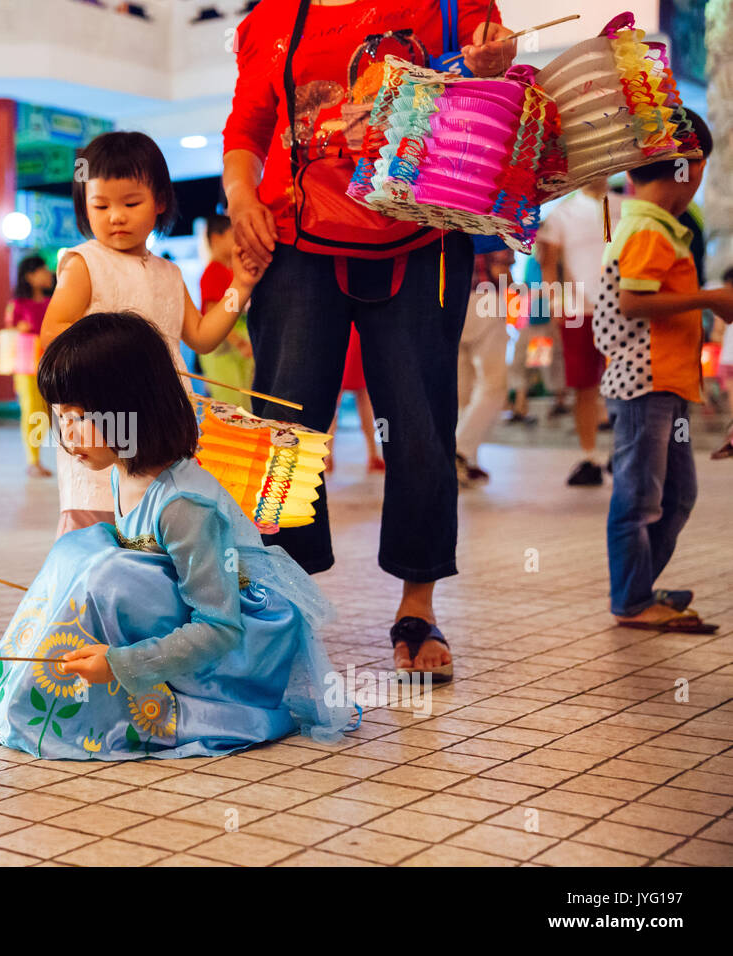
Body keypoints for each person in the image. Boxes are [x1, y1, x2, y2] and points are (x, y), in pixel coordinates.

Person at [223, 0, 515, 679]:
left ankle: (417, 606)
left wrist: (493, 70)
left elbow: (489, 100)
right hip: (294, 236)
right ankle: (287, 604)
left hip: (420, 230)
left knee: (419, 420)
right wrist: (240, 195)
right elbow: (249, 123)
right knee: (285, 429)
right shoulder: (268, 18)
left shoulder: (449, 3)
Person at [0, 313, 354, 759]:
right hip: (188, 616)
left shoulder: (184, 506)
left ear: (131, 410)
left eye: (78, 418)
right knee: (81, 550)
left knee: (105, 569)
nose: (65, 435)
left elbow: (218, 627)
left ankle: (168, 703)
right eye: (59, 417)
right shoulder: (123, 473)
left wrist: (121, 666)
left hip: (237, 649)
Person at [40, 130, 259, 536]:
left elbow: (201, 336)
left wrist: (240, 288)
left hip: (160, 421)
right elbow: (53, 336)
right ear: (83, 207)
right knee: (97, 527)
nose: (116, 216)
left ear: (159, 201)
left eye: (131, 203)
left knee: (159, 524)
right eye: (100, 205)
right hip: (102, 422)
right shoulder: (84, 263)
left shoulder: (169, 273)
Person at [594, 111, 730, 633]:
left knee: (674, 498)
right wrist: (712, 299)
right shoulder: (647, 228)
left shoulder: (653, 225)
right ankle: (630, 601)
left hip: (666, 383)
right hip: (643, 382)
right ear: (688, 170)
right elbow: (633, 301)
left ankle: (637, 589)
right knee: (639, 499)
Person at [536, 178, 622, 486]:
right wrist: (556, 303)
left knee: (624, 384)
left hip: (622, 307)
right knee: (584, 385)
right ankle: (589, 456)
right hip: (578, 310)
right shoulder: (563, 212)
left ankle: (623, 451)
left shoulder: (626, 207)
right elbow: (549, 264)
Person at [456, 250, 516, 486]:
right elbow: (499, 271)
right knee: (493, 387)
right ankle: (459, 451)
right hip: (485, 301)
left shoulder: (450, 213)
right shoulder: (496, 215)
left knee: (463, 391)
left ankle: (467, 462)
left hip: (449, 300)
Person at [198, 213, 255, 405]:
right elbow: (214, 315)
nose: (238, 241)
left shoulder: (230, 271)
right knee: (232, 405)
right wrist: (239, 343)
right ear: (216, 238)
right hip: (224, 349)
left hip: (237, 349)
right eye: (233, 235)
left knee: (244, 405)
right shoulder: (213, 272)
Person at [7, 254, 54, 477]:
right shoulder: (17, 305)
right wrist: (20, 330)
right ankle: (32, 460)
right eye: (42, 270)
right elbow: (7, 334)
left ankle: (38, 458)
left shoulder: (51, 303)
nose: (48, 273)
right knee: (31, 410)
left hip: (50, 364)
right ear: (29, 276)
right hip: (26, 365)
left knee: (46, 411)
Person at [327, 328, 384, 474]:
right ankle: (328, 455)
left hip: (355, 334)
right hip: (353, 333)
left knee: (340, 398)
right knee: (358, 396)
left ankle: (327, 456)